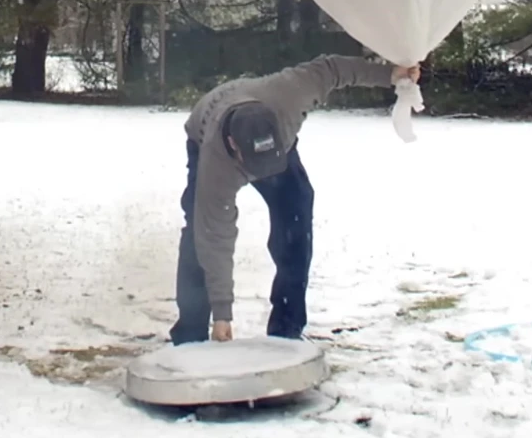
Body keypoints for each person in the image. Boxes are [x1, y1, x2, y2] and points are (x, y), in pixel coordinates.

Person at [172, 52, 421, 344]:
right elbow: (215, 237)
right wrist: (223, 314)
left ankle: (287, 329)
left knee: (296, 211)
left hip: (278, 141)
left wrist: (391, 74)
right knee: (200, 233)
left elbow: (334, 68)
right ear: (234, 148)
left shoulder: (290, 93)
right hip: (206, 133)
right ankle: (190, 334)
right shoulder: (217, 165)